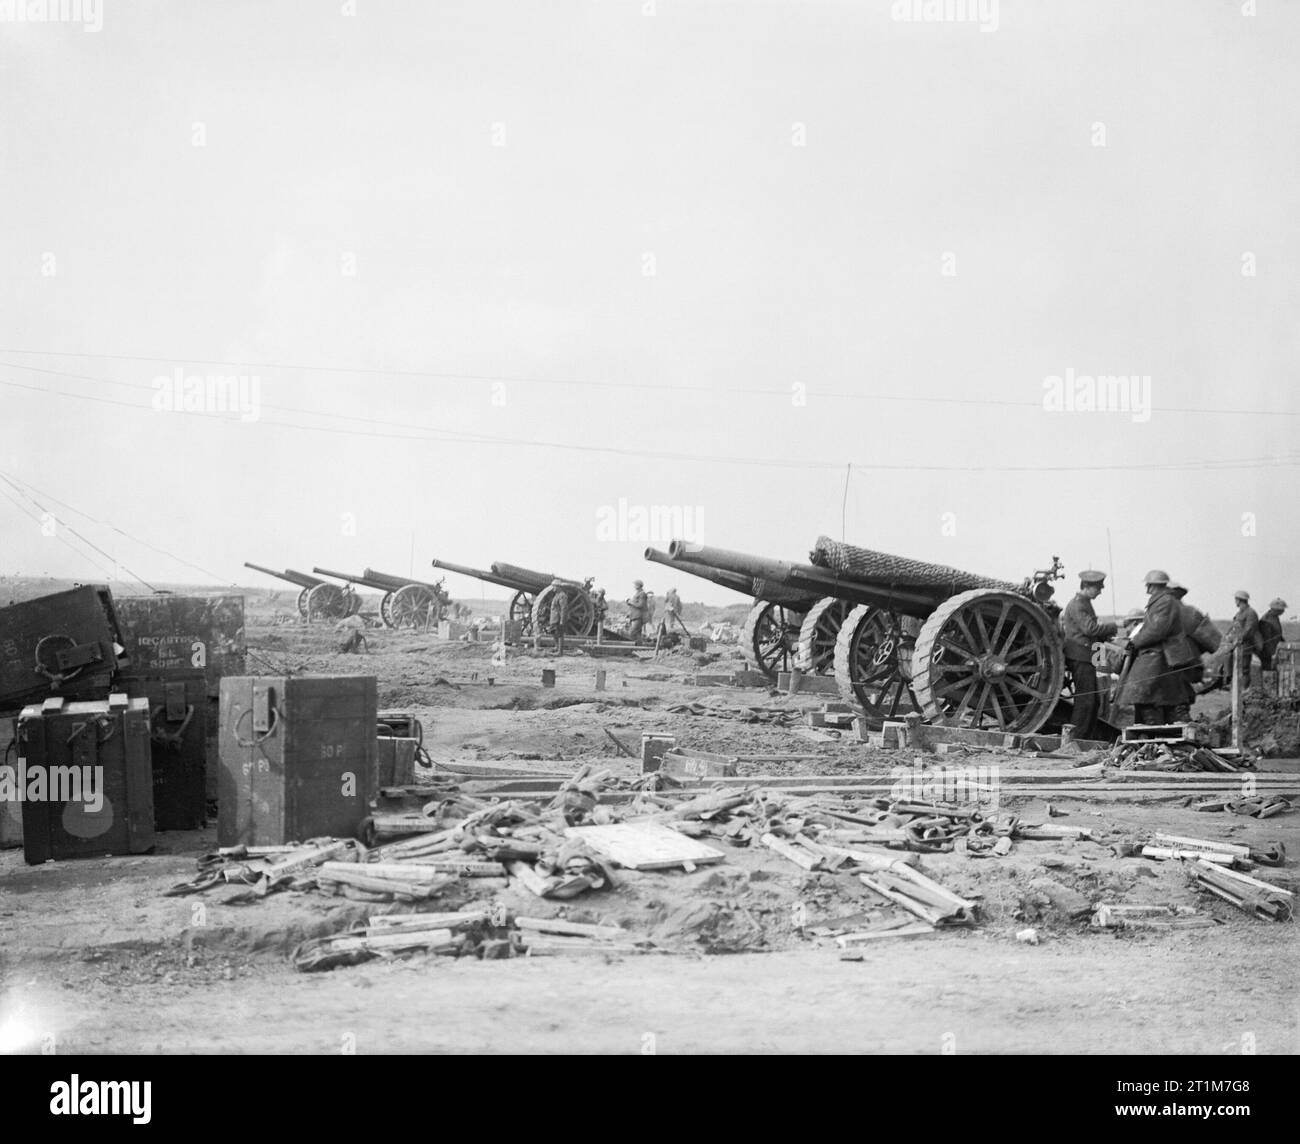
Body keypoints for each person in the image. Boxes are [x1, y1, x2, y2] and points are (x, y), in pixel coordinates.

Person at [1123, 569, 1192, 724]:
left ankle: (1152, 730)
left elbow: (1157, 630)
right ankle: (1151, 729)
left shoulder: (1165, 601)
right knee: (1151, 696)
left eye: (1149, 585)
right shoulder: (1161, 600)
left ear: (1157, 585)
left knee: (1146, 692)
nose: (1147, 588)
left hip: (1161, 654)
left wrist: (1135, 642)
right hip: (1159, 653)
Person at [1060, 570, 1117, 740]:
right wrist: (1115, 625)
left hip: (1086, 656)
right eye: (1098, 588)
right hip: (1080, 657)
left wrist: (1102, 635)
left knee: (1093, 702)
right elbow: (1089, 629)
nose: (1100, 591)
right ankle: (1076, 739)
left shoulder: (1084, 602)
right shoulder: (1078, 604)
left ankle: (1086, 738)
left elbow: (1089, 631)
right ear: (1086, 586)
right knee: (1086, 701)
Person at [1259, 598, 1287, 672]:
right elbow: (1267, 640)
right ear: (1276, 610)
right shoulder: (1266, 620)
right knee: (1268, 672)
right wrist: (1273, 654)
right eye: (1282, 610)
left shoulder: (1274, 617)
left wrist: (1284, 643)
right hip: (1267, 654)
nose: (1283, 611)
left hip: (1274, 650)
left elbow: (1276, 634)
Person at [547, 581, 569, 656]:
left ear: (558, 587)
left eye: (554, 586)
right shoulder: (557, 595)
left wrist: (562, 620)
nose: (553, 588)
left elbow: (563, 608)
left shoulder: (562, 596)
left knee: (560, 634)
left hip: (558, 618)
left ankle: (560, 652)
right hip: (554, 618)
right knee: (552, 632)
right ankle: (557, 646)